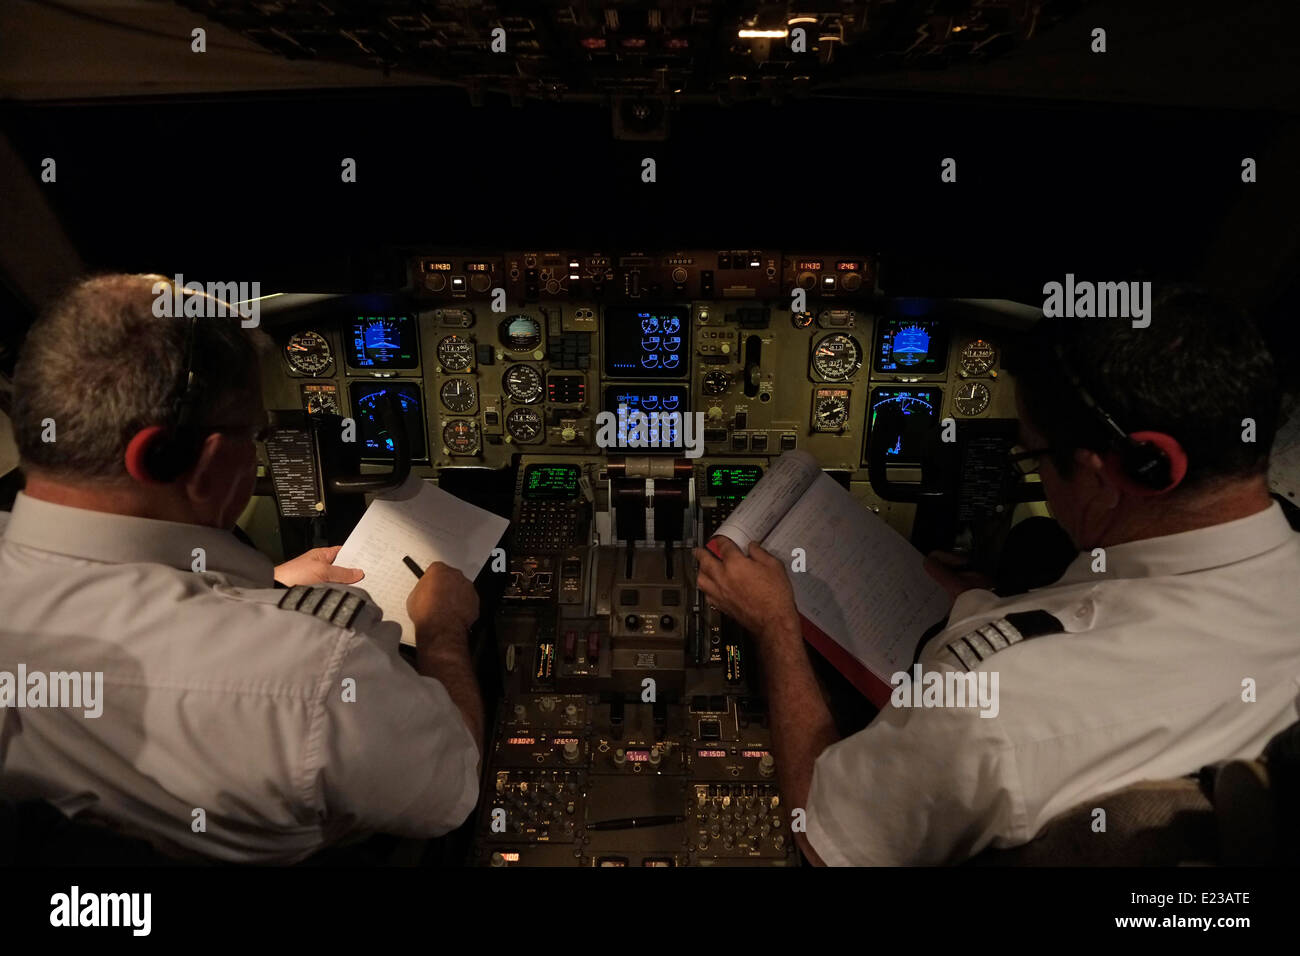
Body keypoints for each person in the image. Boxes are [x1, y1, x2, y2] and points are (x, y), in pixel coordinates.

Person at [696, 288, 1300, 865]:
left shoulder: (994, 705)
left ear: (1104, 473)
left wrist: (775, 623)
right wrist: (984, 606)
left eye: (1032, 454)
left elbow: (826, 837)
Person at [0, 274, 482, 864]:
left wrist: (267, 587)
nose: (257, 447)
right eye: (254, 432)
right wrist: (443, 631)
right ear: (199, 462)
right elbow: (453, 785)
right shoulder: (313, 675)